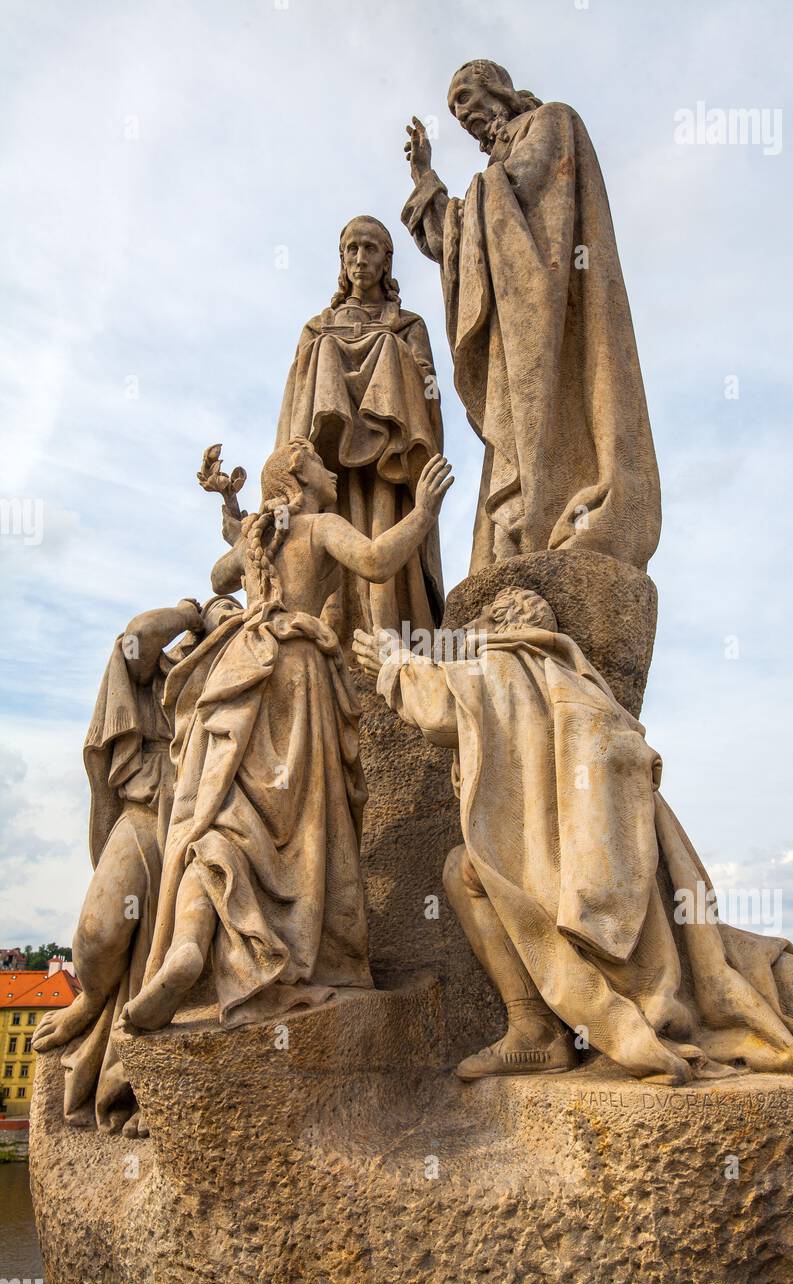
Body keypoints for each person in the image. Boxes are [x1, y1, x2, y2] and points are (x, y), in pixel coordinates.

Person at [354, 588, 793, 1084]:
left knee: (462, 870)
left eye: (482, 620)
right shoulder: (576, 681)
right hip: (611, 882)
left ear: (501, 625)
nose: (469, 633)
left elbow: (443, 711)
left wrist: (393, 662)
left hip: (558, 879)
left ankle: (533, 1029)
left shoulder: (507, 664)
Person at [121, 441, 452, 1033]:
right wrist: (423, 512)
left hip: (238, 669)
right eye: (322, 464)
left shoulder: (258, 533)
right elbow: (376, 561)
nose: (332, 471)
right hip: (296, 671)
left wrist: (233, 503)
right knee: (302, 825)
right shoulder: (322, 524)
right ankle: (299, 953)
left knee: (216, 820)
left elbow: (223, 571)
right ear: (302, 476)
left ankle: (189, 947)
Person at [402, 60, 661, 573]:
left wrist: (477, 194)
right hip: (510, 330)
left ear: (497, 90)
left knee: (549, 421)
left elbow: (525, 197)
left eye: (467, 100)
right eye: (455, 112)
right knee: (512, 432)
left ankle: (557, 528)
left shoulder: (552, 123)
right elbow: (454, 244)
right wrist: (427, 181)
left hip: (555, 318)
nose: (464, 117)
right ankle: (514, 547)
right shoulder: (495, 166)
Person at [32, 595, 241, 1133]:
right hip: (147, 812)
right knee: (100, 931)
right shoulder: (164, 672)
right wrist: (193, 610)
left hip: (212, 822)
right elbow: (135, 638)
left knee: (188, 933)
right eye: (220, 609)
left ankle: (144, 1076)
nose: (228, 615)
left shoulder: (246, 671)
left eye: (233, 611)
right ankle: (93, 998)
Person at [274, 215, 445, 645]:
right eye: (352, 249)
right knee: (325, 349)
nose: (360, 258)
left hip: (389, 457)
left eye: (370, 249)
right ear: (341, 259)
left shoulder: (407, 326)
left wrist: (394, 362)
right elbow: (297, 391)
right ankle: (331, 634)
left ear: (387, 261)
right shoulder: (317, 328)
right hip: (328, 467)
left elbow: (428, 388)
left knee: (388, 347)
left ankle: (389, 636)